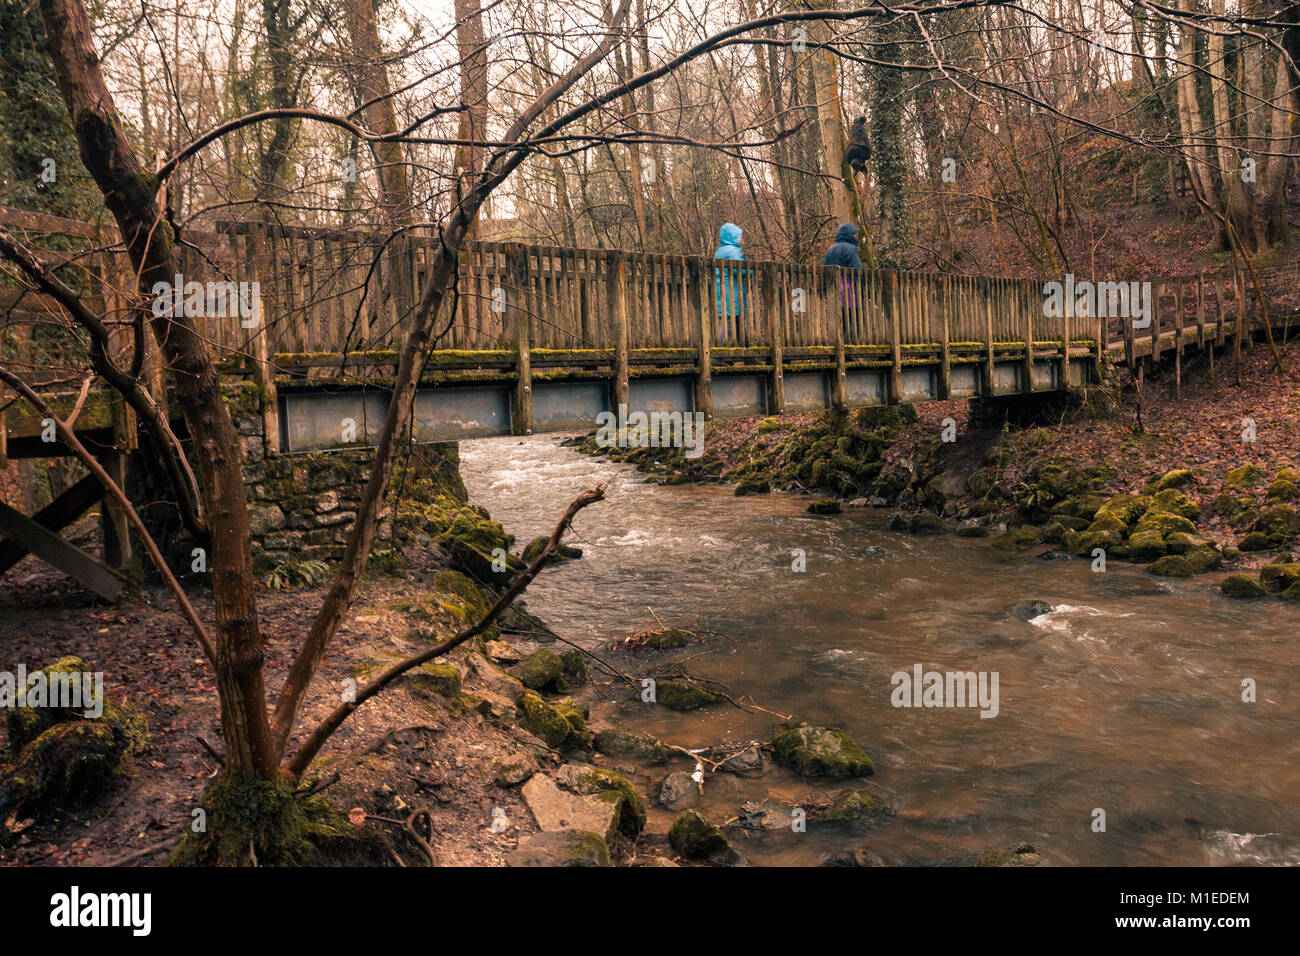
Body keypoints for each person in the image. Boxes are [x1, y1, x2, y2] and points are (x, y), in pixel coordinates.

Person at [824, 222, 862, 310]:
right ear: (850, 235)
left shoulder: (830, 250)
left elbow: (825, 272)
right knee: (855, 321)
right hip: (850, 296)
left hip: (833, 293)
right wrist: (864, 292)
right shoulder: (851, 250)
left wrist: (825, 289)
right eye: (854, 234)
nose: (856, 236)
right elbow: (858, 271)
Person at [713, 222, 747, 322]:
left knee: (729, 326)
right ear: (732, 236)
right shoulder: (732, 251)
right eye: (739, 235)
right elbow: (741, 270)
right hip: (732, 296)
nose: (741, 237)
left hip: (722, 294)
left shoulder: (720, 251)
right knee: (729, 328)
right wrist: (751, 270)